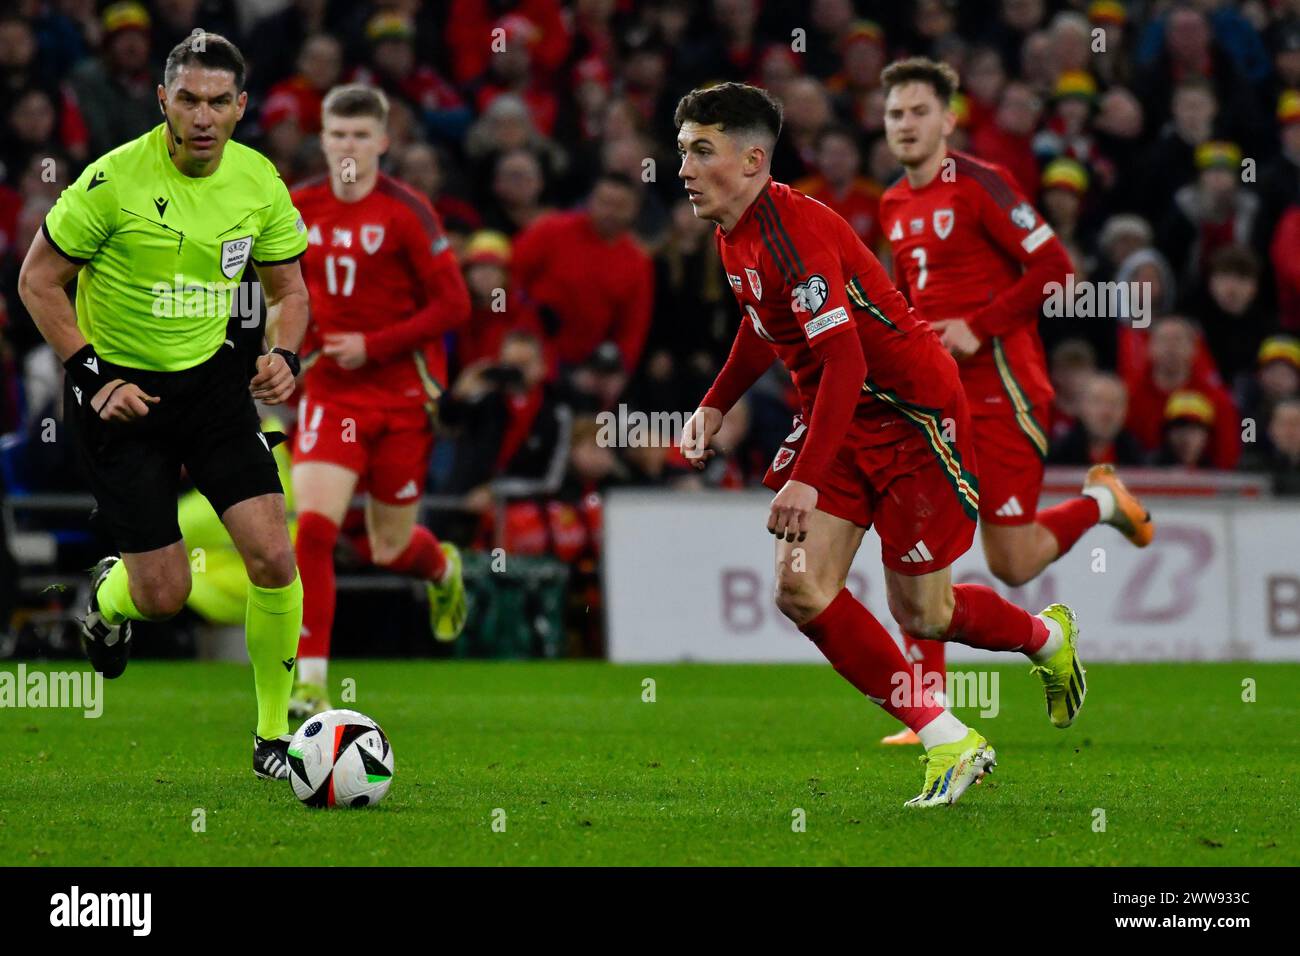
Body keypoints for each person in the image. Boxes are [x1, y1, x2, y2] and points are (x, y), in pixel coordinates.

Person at [675, 81, 1087, 808]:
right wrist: (715, 404)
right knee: (800, 587)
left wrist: (802, 476)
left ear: (750, 160)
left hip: (912, 417)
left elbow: (846, 361)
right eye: (681, 151)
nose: (681, 168)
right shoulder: (732, 232)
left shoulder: (793, 230)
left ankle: (1044, 639)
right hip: (843, 417)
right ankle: (949, 738)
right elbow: (761, 321)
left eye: (699, 151)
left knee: (924, 613)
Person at [16, 34, 309, 780]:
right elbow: (37, 282)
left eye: (219, 102)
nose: (203, 116)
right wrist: (91, 377)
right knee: (165, 594)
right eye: (189, 100)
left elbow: (289, 291)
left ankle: (272, 738)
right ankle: (109, 602)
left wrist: (285, 354)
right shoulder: (112, 181)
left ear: (242, 107)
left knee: (275, 555)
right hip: (120, 396)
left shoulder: (259, 181)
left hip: (210, 386)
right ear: (163, 102)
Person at [878, 58, 1154, 744]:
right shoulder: (891, 204)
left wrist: (980, 325)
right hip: (933, 395)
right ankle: (929, 711)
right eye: (894, 114)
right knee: (922, 539)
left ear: (949, 118)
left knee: (1012, 561)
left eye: (919, 111)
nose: (906, 125)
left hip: (1003, 389)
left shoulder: (981, 184)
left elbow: (1056, 267)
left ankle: (1100, 503)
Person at [290, 84, 471, 718]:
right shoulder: (296, 206)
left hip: (398, 397)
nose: (348, 147)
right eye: (338, 134)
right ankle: (310, 681)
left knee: (392, 548)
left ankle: (442, 570)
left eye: (361, 136)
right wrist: (294, 350)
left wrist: (374, 344)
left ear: (383, 143)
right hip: (333, 396)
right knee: (312, 529)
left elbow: (455, 306)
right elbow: (277, 290)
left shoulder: (408, 211)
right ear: (322, 139)